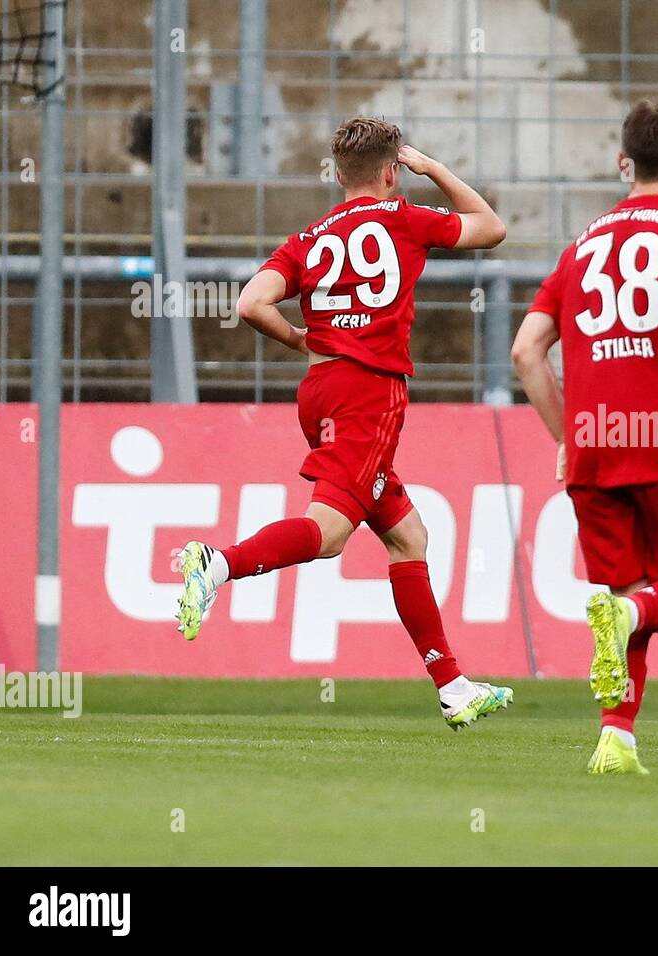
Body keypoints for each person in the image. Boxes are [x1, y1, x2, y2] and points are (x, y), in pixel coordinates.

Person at [175, 117, 513, 731]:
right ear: (391, 172)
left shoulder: (308, 237)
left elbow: (251, 302)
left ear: (337, 174)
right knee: (328, 533)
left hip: (320, 386)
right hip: (369, 393)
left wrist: (298, 338)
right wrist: (432, 167)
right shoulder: (404, 217)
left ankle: (454, 686)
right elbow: (491, 227)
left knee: (407, 537)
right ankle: (216, 563)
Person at [511, 99, 658, 774]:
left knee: (627, 596)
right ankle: (626, 658)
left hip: (593, 443)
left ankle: (617, 739)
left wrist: (566, 434)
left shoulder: (580, 246)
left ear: (624, 163)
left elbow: (527, 352)